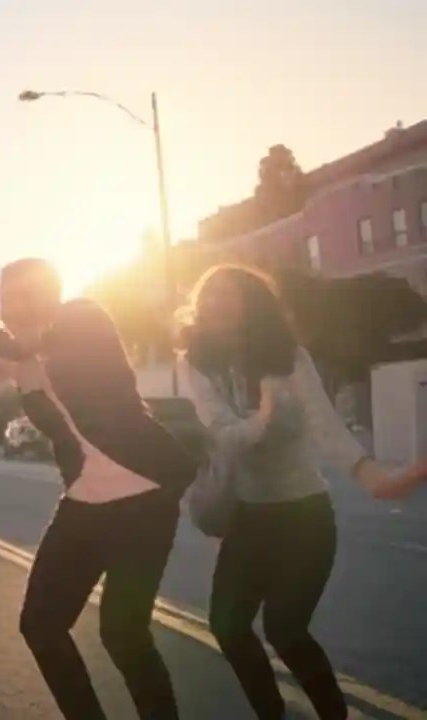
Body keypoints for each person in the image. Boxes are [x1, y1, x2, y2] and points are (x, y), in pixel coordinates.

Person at [177, 264, 427, 719]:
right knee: (228, 627)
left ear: (253, 306)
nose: (214, 302)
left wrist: (377, 478)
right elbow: (224, 434)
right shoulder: (195, 363)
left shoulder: (288, 356)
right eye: (207, 293)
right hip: (248, 518)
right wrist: (263, 419)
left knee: (285, 630)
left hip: (304, 515)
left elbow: (327, 429)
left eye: (227, 294)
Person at [0, 259, 199, 720]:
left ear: (53, 293)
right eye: (6, 299)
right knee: (40, 626)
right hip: (84, 503)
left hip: (143, 497)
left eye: (25, 295)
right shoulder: (22, 362)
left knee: (123, 633)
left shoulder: (83, 317)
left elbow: (22, 344)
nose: (13, 307)